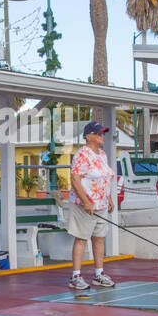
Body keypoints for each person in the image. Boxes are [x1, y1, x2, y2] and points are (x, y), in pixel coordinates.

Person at [67, 121, 116, 290]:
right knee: (81, 239)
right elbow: (75, 179)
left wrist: (108, 198)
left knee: (99, 238)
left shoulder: (102, 154)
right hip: (84, 205)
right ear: (88, 136)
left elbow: (103, 177)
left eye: (102, 133)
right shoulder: (82, 154)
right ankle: (76, 276)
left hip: (100, 204)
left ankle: (99, 274)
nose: (102, 136)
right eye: (98, 133)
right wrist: (86, 202)